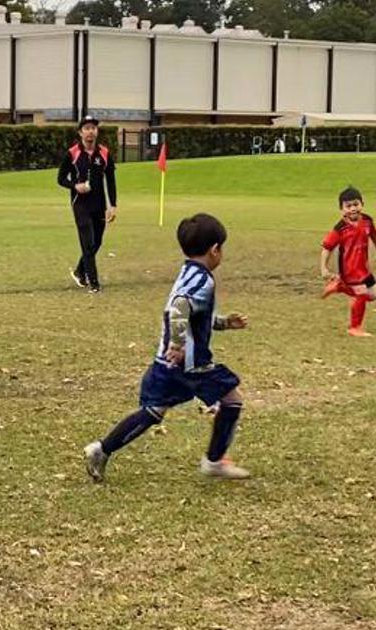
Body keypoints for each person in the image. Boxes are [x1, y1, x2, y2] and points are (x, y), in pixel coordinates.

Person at [83, 213, 251, 482]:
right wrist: (178, 343)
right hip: (191, 364)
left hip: (167, 362)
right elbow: (179, 307)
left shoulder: (188, 271)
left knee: (153, 412)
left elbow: (193, 316)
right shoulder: (202, 280)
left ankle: (102, 450)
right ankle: (214, 461)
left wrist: (223, 323)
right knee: (232, 400)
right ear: (215, 250)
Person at [57, 115, 117, 293]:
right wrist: (75, 186)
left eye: (93, 128)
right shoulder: (73, 153)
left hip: (99, 205)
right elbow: (60, 179)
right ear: (80, 132)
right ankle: (94, 283)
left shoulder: (104, 153)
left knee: (97, 242)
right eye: (87, 128)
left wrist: (113, 205)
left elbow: (111, 180)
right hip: (80, 204)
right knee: (88, 242)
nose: (91, 131)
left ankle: (79, 271)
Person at [320, 186, 376, 337]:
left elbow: (374, 236)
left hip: (364, 268)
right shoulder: (340, 229)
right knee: (360, 294)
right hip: (350, 270)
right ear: (341, 209)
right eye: (348, 206)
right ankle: (355, 328)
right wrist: (324, 268)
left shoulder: (367, 221)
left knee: (375, 294)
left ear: (362, 204)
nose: (353, 208)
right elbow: (326, 248)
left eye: (356, 204)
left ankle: (340, 287)